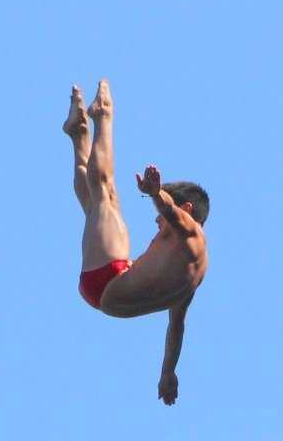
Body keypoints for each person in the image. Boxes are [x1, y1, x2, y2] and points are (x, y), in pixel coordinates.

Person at [63, 80, 209, 406]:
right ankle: (79, 133)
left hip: (109, 280)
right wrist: (167, 371)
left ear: (187, 209)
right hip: (106, 292)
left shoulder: (191, 234)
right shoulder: (192, 277)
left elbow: (170, 213)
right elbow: (176, 327)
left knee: (105, 192)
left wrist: (156, 193)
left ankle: (104, 114)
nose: (156, 223)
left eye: (160, 218)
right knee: (96, 203)